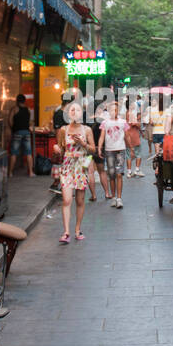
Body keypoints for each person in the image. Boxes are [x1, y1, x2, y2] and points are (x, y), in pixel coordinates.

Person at [56, 101, 95, 243]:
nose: (74, 112)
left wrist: (83, 144)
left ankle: (77, 229)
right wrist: (57, 149)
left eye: (77, 110)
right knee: (66, 200)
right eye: (71, 110)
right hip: (67, 167)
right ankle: (66, 232)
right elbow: (60, 149)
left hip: (81, 166)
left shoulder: (87, 130)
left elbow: (93, 149)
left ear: (82, 113)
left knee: (79, 200)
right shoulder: (63, 130)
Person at [99, 103, 129, 209]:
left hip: (120, 150)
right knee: (111, 175)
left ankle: (119, 198)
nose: (113, 112)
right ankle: (113, 197)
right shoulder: (105, 123)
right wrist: (99, 148)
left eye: (115, 110)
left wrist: (131, 149)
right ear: (109, 111)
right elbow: (102, 136)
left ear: (118, 111)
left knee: (119, 174)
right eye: (112, 110)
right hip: (109, 151)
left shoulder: (123, 122)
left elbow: (126, 136)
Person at [8, 94, 33, 177]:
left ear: (17, 100)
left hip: (17, 132)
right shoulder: (28, 109)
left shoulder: (15, 109)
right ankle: (31, 172)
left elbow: (10, 120)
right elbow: (29, 122)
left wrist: (14, 128)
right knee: (29, 153)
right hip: (26, 132)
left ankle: (10, 173)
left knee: (14, 153)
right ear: (24, 101)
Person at [124, 98, 144, 177]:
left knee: (129, 154)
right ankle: (137, 169)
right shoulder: (131, 113)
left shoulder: (126, 113)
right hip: (134, 135)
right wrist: (139, 122)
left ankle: (129, 171)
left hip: (128, 135)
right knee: (138, 153)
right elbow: (136, 124)